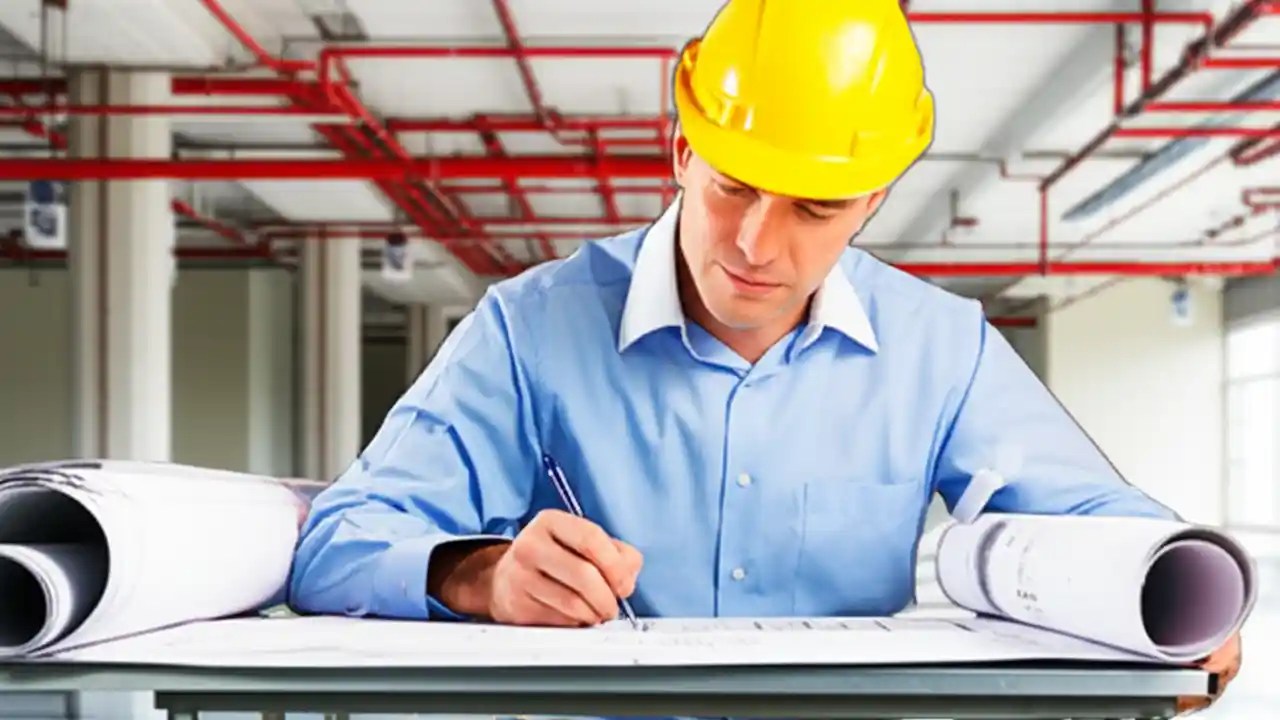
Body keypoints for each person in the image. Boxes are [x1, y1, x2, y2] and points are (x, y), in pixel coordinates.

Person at [288, 0, 1240, 711]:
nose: (753, 243)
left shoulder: (940, 349)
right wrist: (478, 575)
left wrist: (1172, 596)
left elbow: (1099, 523)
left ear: (873, 203)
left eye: (814, 209)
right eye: (733, 189)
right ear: (679, 152)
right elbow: (337, 544)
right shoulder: (528, 328)